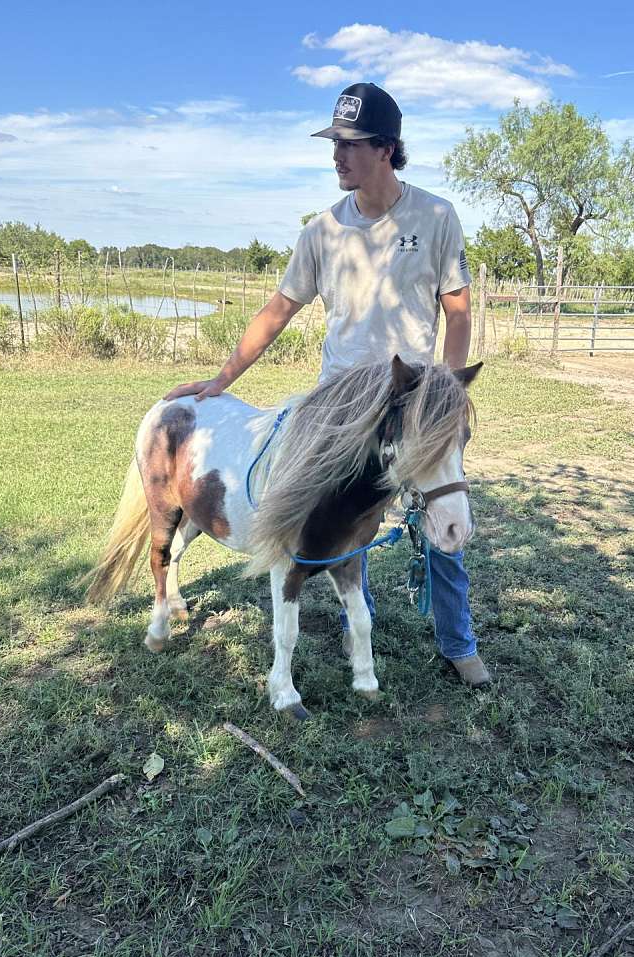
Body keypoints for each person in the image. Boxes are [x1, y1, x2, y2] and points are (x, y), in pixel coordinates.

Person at [165, 82, 491, 687]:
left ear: (387, 149)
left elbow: (458, 308)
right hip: (338, 407)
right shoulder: (322, 231)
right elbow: (278, 310)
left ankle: (457, 641)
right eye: (334, 142)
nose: (336, 156)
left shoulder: (436, 217)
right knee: (336, 515)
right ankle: (352, 621)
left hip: (408, 400)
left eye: (349, 143)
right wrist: (222, 377)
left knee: (442, 508)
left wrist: (443, 395)